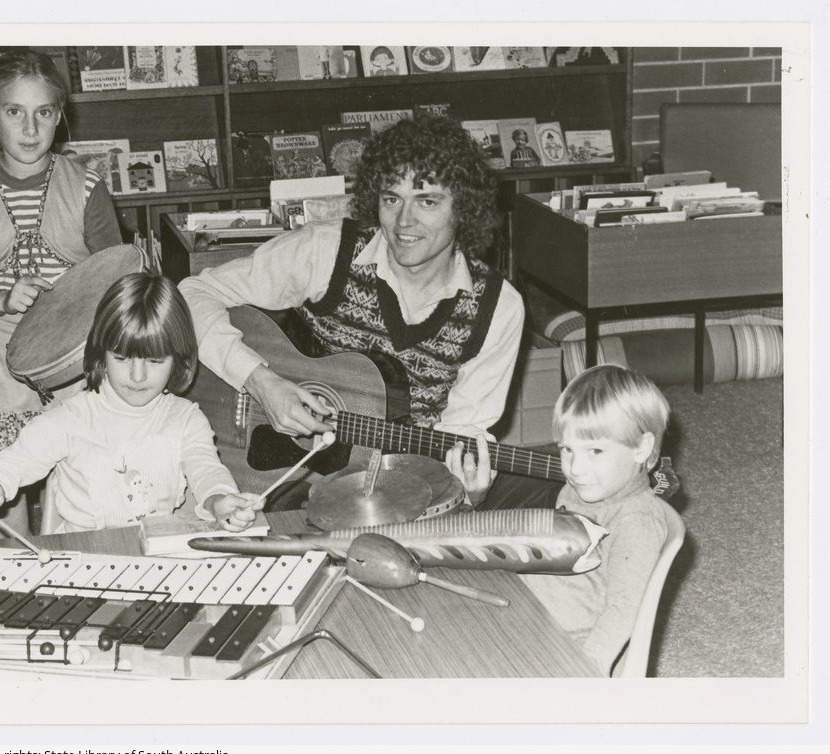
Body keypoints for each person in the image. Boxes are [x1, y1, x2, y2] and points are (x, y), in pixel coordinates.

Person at [179, 113, 550, 510]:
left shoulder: (498, 308)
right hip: (275, 480)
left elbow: (462, 433)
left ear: (464, 208)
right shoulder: (325, 251)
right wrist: (260, 382)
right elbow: (191, 293)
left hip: (394, 490)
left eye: (427, 201)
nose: (404, 222)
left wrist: (464, 492)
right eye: (392, 198)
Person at [0, 49, 123, 538]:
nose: (31, 128)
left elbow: (120, 279)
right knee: (4, 514)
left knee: (86, 505)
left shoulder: (87, 185)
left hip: (80, 372)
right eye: (15, 112)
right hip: (0, 373)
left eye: (44, 113)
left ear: (60, 117)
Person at [0, 273, 264, 535]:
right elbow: (16, 461)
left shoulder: (186, 419)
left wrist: (220, 499)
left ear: (178, 360)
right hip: (87, 557)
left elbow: (207, 470)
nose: (138, 375)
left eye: (155, 360)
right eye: (121, 357)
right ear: (101, 352)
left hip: (157, 555)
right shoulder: (71, 419)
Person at [519, 364, 672, 676]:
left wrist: (587, 669)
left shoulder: (636, 521)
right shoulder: (579, 489)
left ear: (641, 448)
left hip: (566, 646)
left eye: (595, 451)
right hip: (531, 615)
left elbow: (625, 608)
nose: (575, 469)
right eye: (567, 450)